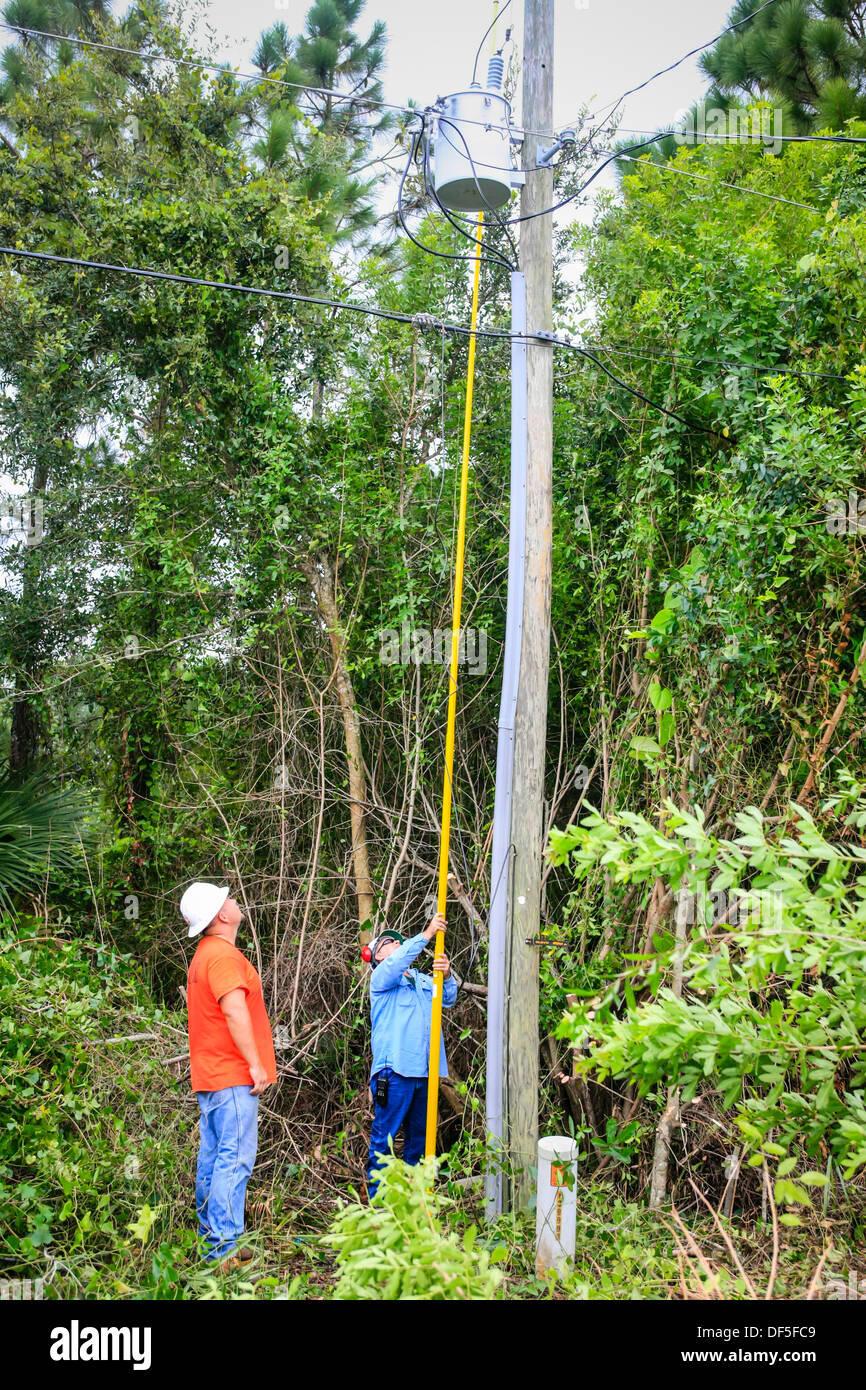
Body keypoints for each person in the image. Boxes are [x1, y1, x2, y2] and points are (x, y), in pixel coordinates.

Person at [180, 882, 276, 1268]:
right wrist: (255, 1064)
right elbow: (235, 1010)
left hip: (212, 1077)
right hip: (231, 1076)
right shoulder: (221, 955)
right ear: (222, 915)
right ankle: (223, 1250)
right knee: (234, 1161)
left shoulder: (206, 954)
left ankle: (218, 1240)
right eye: (228, 899)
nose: (234, 901)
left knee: (215, 1159)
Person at [365, 911, 456, 1199]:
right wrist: (427, 934)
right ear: (378, 956)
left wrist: (447, 975)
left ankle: (415, 1205)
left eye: (398, 941)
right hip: (394, 1072)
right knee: (386, 1138)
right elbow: (397, 963)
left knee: (420, 1141)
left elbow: (449, 998)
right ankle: (380, 1206)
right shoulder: (382, 979)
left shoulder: (422, 980)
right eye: (388, 943)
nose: (395, 944)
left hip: (426, 1074)